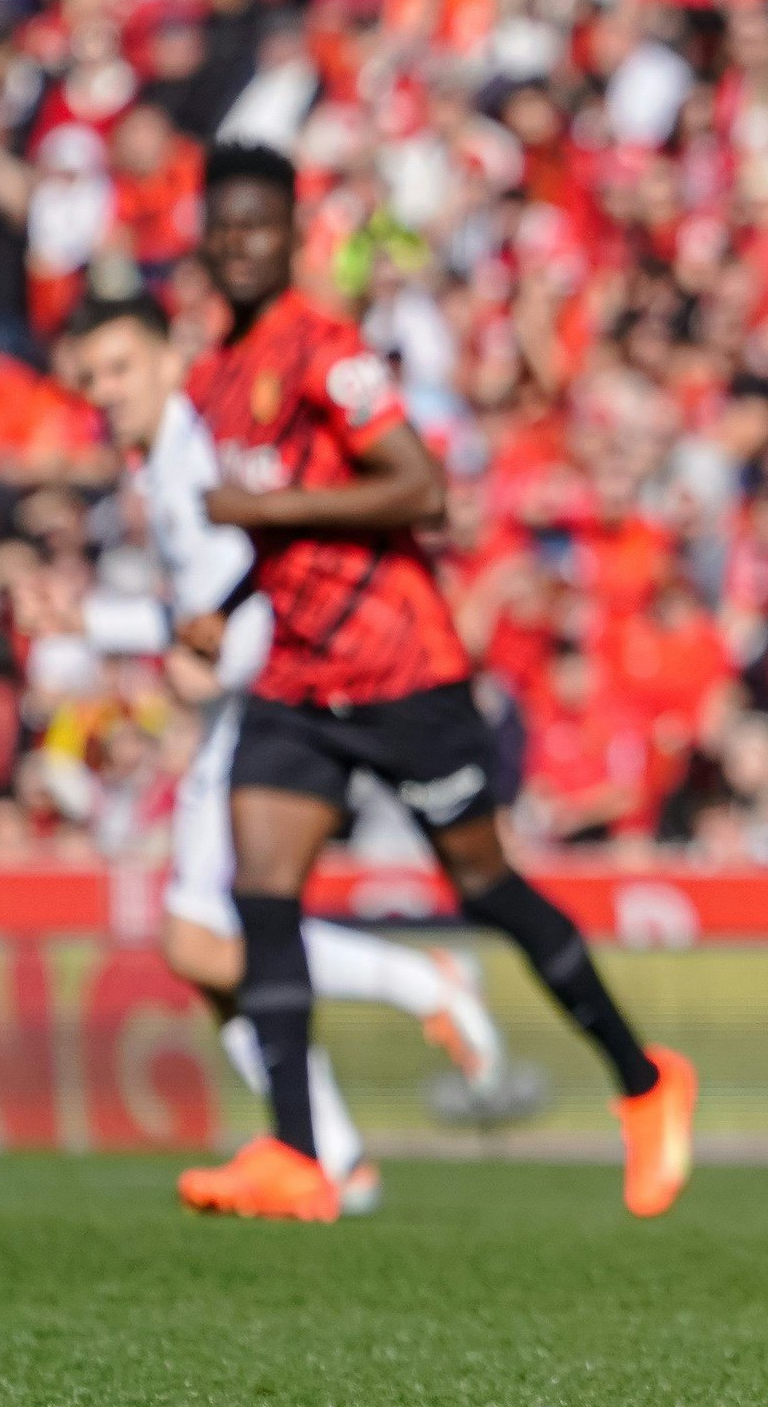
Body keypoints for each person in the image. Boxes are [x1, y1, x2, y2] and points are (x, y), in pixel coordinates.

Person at [170, 142, 694, 1223]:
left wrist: (262, 517)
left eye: (258, 226)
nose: (238, 245)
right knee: (261, 895)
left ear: (292, 233)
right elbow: (280, 531)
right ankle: (297, 1154)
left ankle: (644, 1084)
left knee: (484, 888)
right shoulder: (211, 375)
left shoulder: (328, 350)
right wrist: (225, 607)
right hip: (301, 680)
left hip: (405, 669)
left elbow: (417, 486)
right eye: (222, 228)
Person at [62, 292, 527, 1214]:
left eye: (118, 369)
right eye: (89, 378)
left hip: (276, 701)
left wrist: (210, 663)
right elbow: (196, 612)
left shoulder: (198, 455)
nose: (102, 391)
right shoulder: (155, 463)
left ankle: (412, 983)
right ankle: (333, 1158)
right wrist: (91, 620)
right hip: (247, 697)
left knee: (206, 938)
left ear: (166, 361)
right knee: (207, 955)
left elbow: (266, 588)